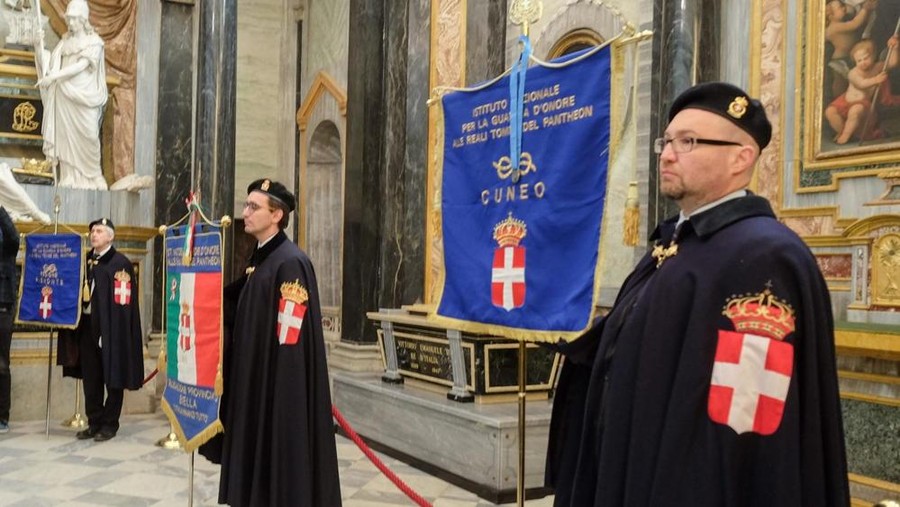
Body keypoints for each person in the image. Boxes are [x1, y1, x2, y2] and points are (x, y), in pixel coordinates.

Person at [545, 82, 850, 506]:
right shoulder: (676, 243)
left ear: (741, 158)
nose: (667, 154)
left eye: (688, 142)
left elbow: (743, 425)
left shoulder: (764, 256)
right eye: (667, 141)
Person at [209, 179, 341, 506]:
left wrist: (283, 400)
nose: (245, 213)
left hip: (274, 388)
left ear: (277, 215)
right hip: (253, 383)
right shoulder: (261, 258)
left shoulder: (290, 262)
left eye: (254, 207)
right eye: (246, 205)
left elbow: (290, 340)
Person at [57, 218, 144, 442]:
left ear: (110, 236)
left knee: (113, 377)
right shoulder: (86, 261)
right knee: (91, 378)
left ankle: (110, 423)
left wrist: (112, 332)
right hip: (86, 328)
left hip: (110, 331)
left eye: (99, 231)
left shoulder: (119, 263)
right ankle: (94, 421)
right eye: (92, 231)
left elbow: (122, 303)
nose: (93, 235)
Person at [35, 0, 108, 190]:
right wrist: (38, 47)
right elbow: (51, 64)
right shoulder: (65, 42)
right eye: (69, 19)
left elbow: (81, 66)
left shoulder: (94, 42)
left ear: (83, 20)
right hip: (64, 98)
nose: (70, 24)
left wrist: (54, 77)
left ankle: (94, 175)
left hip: (85, 97)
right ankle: (70, 177)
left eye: (74, 20)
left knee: (90, 134)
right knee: (66, 139)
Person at [825, 37, 900, 144]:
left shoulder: (878, 67)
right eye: (859, 60)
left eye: (865, 58)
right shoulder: (853, 73)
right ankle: (843, 132)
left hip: (862, 104)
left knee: (855, 111)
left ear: (873, 56)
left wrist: (894, 48)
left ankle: (845, 136)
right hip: (845, 101)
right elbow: (861, 84)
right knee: (830, 112)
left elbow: (893, 63)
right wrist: (876, 80)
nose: (863, 62)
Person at [0, 206, 19, 434]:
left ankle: (2, 416)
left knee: (2, 366)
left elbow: (13, 234)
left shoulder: (7, 248)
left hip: (2, 309)